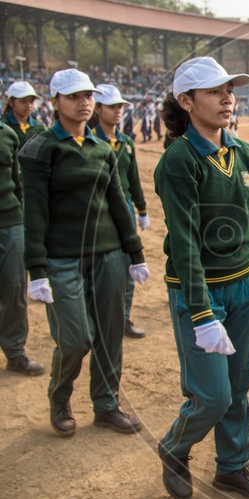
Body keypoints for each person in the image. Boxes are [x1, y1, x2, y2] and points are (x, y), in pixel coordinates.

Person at [155, 57, 249, 499]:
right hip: (198, 291)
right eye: (215, 91)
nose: (227, 98)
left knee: (236, 387)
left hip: (242, 288)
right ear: (186, 101)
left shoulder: (244, 153)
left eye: (229, 89)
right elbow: (184, 243)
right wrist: (200, 312)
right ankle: (175, 447)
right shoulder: (179, 162)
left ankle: (232, 467)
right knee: (211, 396)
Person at [19, 68, 149, 437]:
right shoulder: (41, 149)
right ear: (55, 102)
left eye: (88, 95)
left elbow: (118, 204)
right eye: (74, 96)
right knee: (75, 339)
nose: (84, 102)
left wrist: (134, 253)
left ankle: (106, 405)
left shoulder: (101, 149)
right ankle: (60, 398)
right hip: (62, 259)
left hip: (108, 255)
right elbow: (35, 212)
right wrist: (37, 269)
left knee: (109, 335)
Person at [92, 84, 150, 339]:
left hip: (124, 207)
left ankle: (123, 318)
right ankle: (97, 318)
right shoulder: (90, 140)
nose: (118, 111)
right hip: (97, 211)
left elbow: (133, 178)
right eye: (112, 106)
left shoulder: (126, 142)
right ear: (98, 109)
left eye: (120, 107)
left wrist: (142, 208)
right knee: (99, 265)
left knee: (128, 264)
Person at [0, 79, 45, 376]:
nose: (28, 105)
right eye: (22, 100)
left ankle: (15, 351)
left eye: (32, 100)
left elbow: (18, 182)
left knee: (15, 285)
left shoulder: (7, 136)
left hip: (9, 218)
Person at [2, 80, 46, 149]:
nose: (29, 105)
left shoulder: (39, 127)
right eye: (23, 101)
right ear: (11, 102)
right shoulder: (3, 126)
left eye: (31, 101)